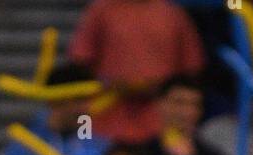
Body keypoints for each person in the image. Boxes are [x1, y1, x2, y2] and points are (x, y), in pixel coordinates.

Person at [68, 0, 205, 144]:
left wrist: (163, 88)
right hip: (108, 117)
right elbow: (80, 61)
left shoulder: (172, 13)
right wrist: (112, 83)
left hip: (161, 123)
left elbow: (192, 68)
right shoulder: (101, 9)